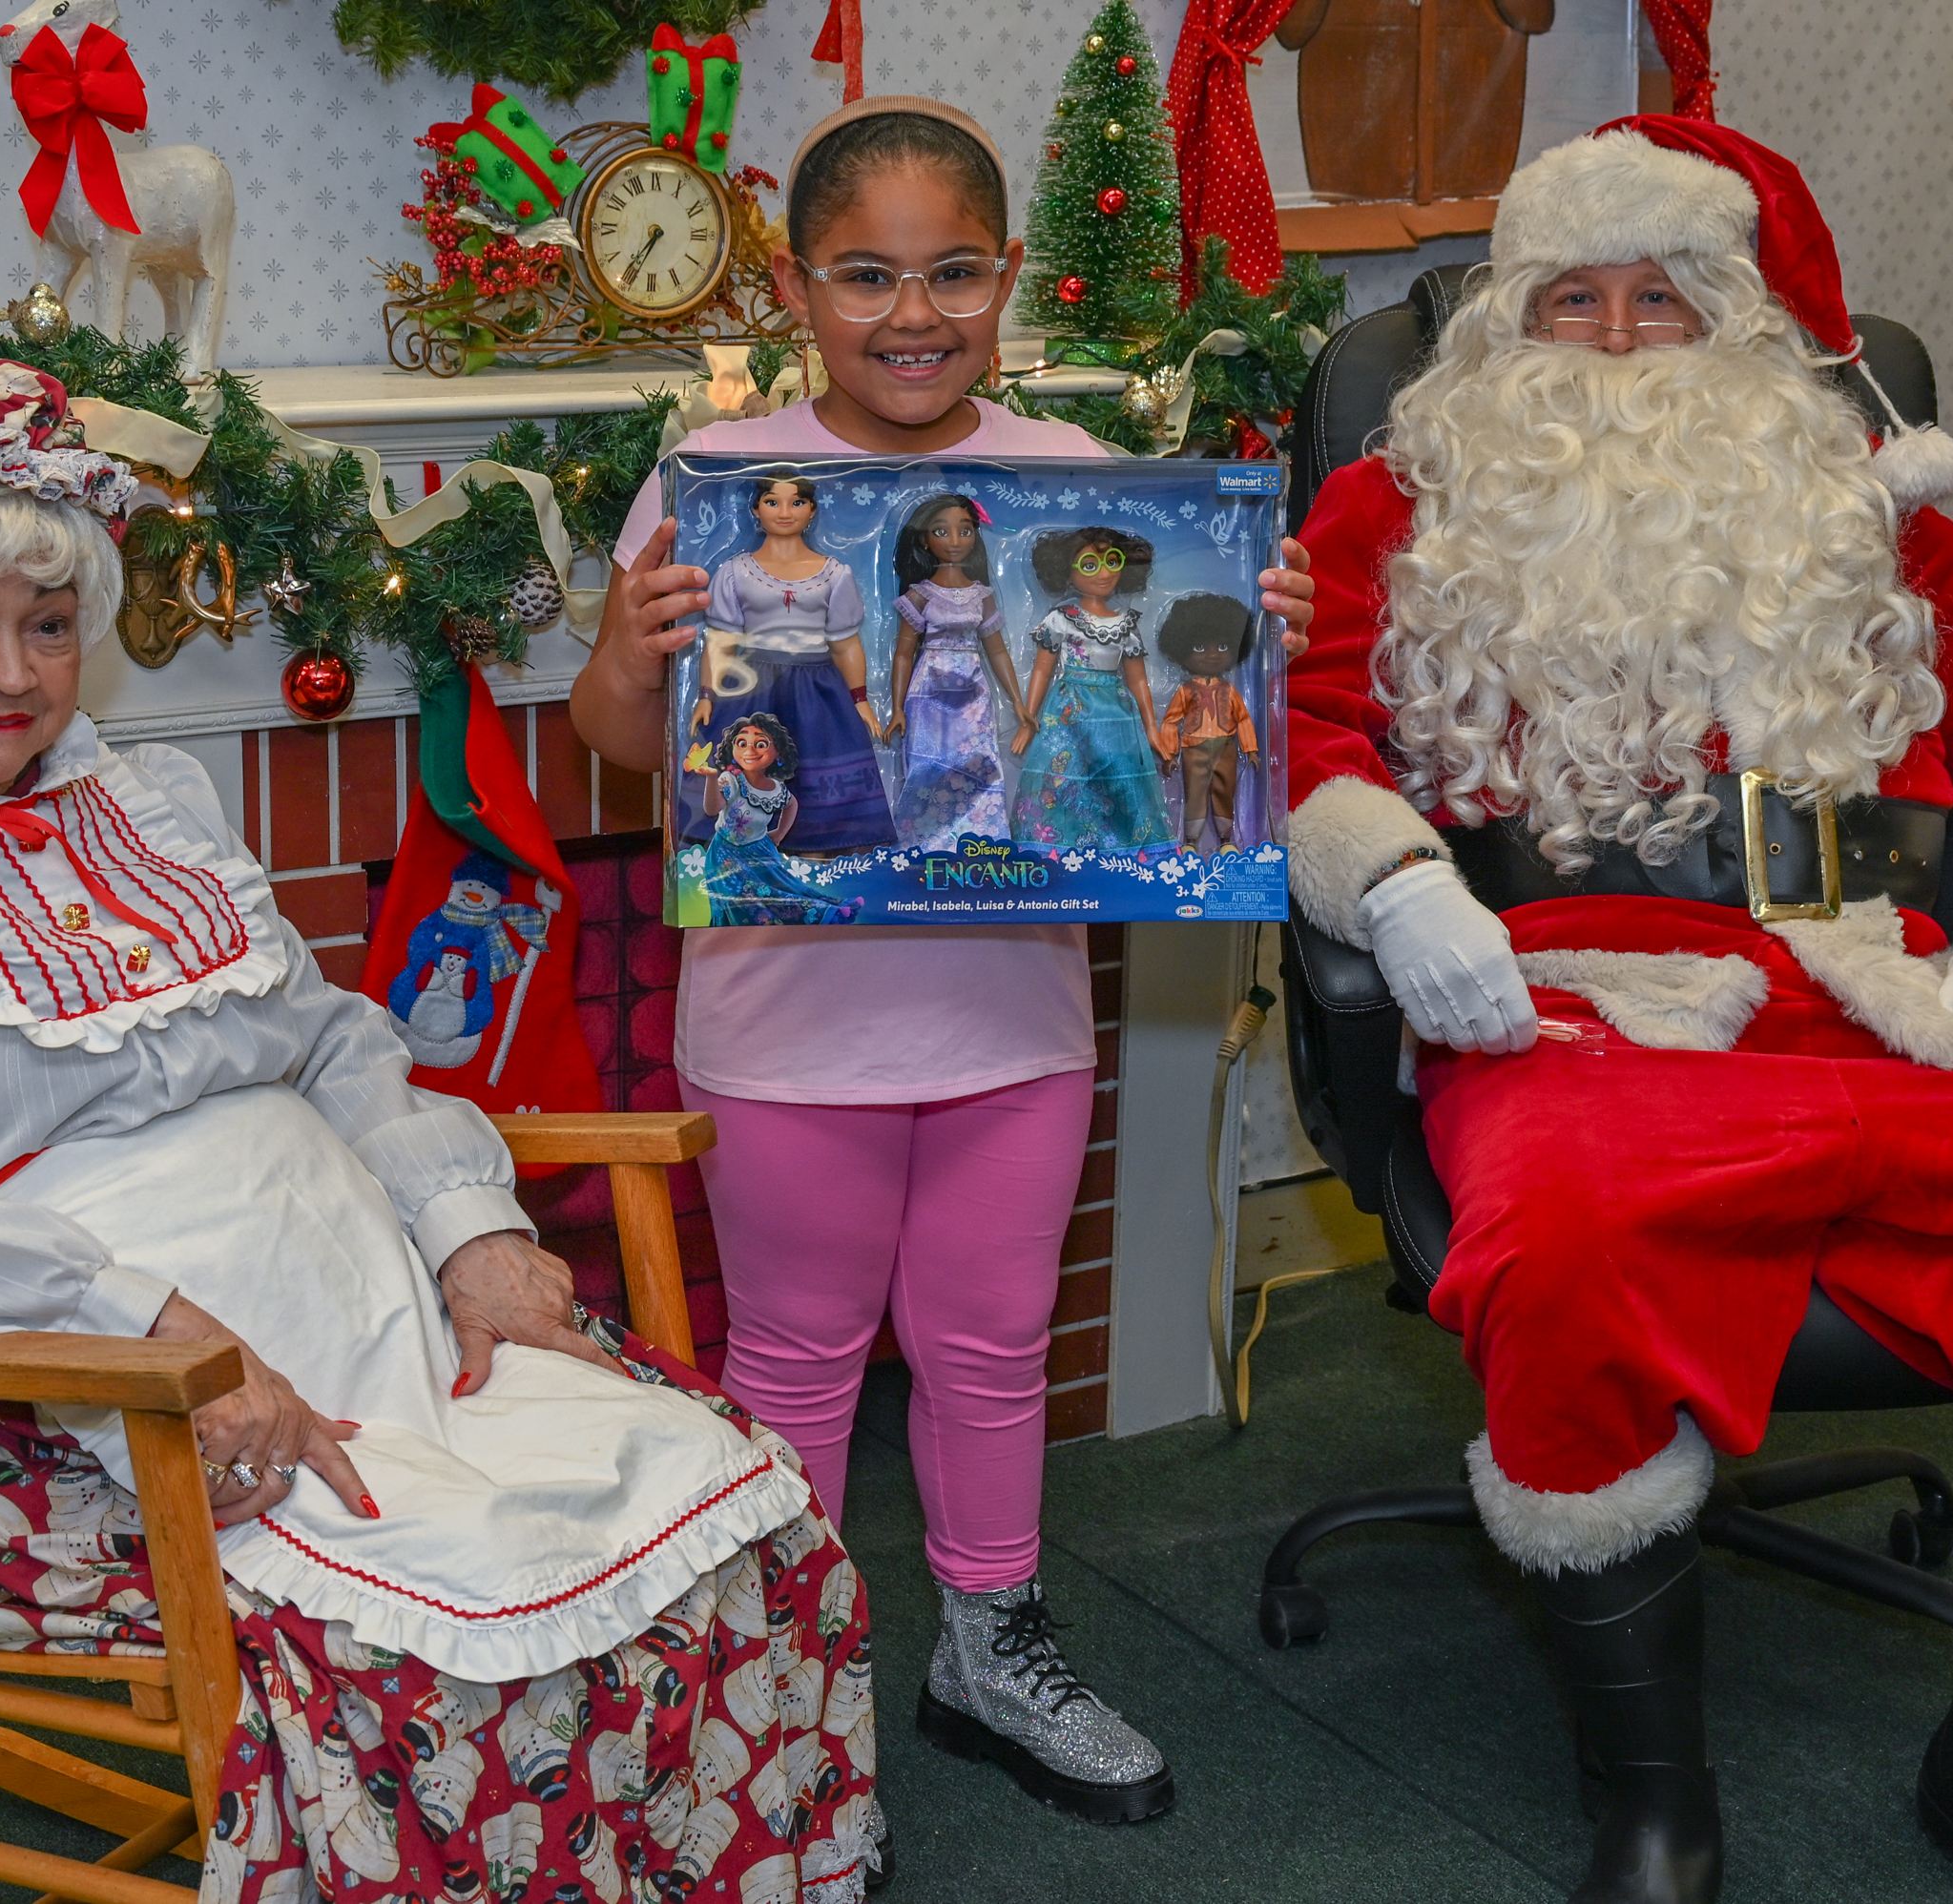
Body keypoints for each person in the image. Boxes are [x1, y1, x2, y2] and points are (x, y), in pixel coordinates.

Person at [0, 352, 882, 1903]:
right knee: (429, 1660)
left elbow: (333, 1051)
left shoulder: (146, 803)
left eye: (48, 625)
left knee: (740, 1518)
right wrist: (156, 1332)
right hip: (43, 1384)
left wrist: (479, 1235)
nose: (15, 673)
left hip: (363, 1319)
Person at [1286, 120, 1953, 1904]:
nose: (1615, 337)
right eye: (1570, 298)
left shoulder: (1851, 502)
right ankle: (1656, 1809)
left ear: (1737, 321)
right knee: (1570, 1248)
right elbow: (1289, 727)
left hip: (1865, 963)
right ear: (1507, 330)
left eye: (1663, 299)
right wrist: (1400, 876)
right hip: (1574, 993)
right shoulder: (1395, 511)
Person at [572, 94, 1318, 1825]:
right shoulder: (717, 480)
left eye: (955, 273)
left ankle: (987, 1644)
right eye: (866, 276)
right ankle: (791, 1687)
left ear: (1009, 277)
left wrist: (1252, 636)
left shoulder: (1075, 483)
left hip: (1012, 1022)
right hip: (784, 1029)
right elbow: (623, 745)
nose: (914, 313)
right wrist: (626, 650)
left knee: (992, 1350)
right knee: (796, 1359)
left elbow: (1152, 685)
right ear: (795, 279)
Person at [683, 471, 898, 856]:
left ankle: (816, 856)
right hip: (752, 687)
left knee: (818, 768)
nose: (785, 512)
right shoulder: (735, 572)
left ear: (812, 510)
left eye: (796, 502)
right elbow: (720, 641)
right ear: (755, 510)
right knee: (746, 767)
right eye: (772, 502)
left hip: (816, 688)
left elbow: (845, 644)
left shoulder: (834, 573)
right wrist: (706, 693)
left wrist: (860, 698)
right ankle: (746, 852)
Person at [1008, 528, 1174, 853]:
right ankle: (1058, 847)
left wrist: (1153, 728)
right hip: (1071, 707)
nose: (1104, 572)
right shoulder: (1063, 618)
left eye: (1113, 561)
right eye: (1089, 564)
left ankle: (1121, 847)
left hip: (1114, 709)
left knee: (1118, 772)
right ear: (1066, 572)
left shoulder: (1125, 621)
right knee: (1065, 774)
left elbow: (1138, 678)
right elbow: (1043, 668)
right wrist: (1028, 719)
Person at [883, 492, 1019, 851]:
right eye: (941, 532)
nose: (955, 541)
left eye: (965, 530)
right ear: (924, 540)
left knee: (979, 763)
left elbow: (998, 649)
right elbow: (903, 653)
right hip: (930, 691)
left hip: (973, 692)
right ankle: (924, 845)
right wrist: (897, 708)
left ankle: (984, 842)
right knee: (930, 765)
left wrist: (1018, 704)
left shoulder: (981, 594)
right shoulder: (920, 595)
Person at [700, 714, 864, 924]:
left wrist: (778, 834)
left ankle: (827, 909)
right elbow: (712, 808)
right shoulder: (730, 780)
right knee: (741, 899)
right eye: (741, 743)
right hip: (725, 854)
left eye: (760, 744)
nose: (749, 750)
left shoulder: (776, 788)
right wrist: (711, 778)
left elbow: (791, 804)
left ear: (777, 751)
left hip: (759, 850)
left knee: (783, 887)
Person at [1152, 593, 1261, 854]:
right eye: (1200, 648)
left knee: (1224, 791)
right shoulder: (1186, 691)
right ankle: (1190, 841)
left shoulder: (1229, 690)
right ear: (1181, 650)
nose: (1212, 655)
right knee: (1196, 793)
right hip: (1194, 749)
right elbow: (1171, 722)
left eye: (1223, 647)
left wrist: (1250, 749)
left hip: (1225, 747)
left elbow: (1243, 719)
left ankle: (1226, 840)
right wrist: (1169, 754)